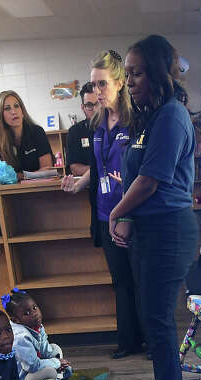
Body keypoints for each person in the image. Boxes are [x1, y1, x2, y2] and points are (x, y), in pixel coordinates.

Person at [109, 35, 198, 380]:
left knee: (159, 320)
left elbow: (150, 180)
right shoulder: (150, 116)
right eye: (127, 74)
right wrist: (128, 218)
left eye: (137, 73)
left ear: (160, 73)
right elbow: (133, 173)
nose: (130, 81)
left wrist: (117, 211)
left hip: (169, 229)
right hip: (149, 228)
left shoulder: (172, 116)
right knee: (151, 317)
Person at [62, 50, 144, 360]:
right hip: (104, 213)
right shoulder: (98, 121)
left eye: (103, 84)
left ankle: (150, 341)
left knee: (140, 281)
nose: (98, 92)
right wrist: (79, 184)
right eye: (94, 85)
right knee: (120, 282)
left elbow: (142, 173)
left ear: (121, 82)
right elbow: (98, 169)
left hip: (132, 215)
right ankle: (128, 342)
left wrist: (128, 216)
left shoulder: (136, 119)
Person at [2, 288, 74, 380]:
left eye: (34, 308)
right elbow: (33, 366)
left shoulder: (35, 324)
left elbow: (44, 348)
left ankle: (58, 377)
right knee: (50, 371)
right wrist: (56, 363)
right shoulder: (20, 337)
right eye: (27, 313)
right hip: (24, 379)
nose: (34, 314)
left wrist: (57, 361)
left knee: (54, 348)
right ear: (15, 320)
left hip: (35, 364)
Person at [0, 91, 53, 175]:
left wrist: (21, 177)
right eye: (7, 108)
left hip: (37, 186)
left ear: (22, 110)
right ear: (0, 115)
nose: (14, 111)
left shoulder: (37, 131)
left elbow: (47, 169)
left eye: (16, 106)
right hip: (11, 188)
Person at [65, 82, 97, 180]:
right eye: (89, 105)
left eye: (98, 104)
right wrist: (104, 168)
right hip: (88, 185)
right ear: (83, 108)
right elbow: (75, 169)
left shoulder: (113, 128)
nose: (95, 109)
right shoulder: (75, 132)